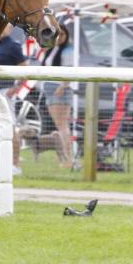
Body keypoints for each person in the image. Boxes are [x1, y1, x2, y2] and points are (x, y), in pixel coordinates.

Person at [0, 23, 27, 175]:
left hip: (5, 91)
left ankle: (15, 164)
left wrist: (16, 88)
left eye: (4, 26)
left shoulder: (13, 46)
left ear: (10, 29)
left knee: (10, 127)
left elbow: (24, 69)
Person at [41, 22, 73, 168]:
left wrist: (62, 86)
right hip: (49, 87)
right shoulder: (52, 48)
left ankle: (67, 157)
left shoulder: (67, 51)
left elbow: (70, 70)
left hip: (59, 89)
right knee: (60, 125)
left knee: (62, 125)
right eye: (58, 34)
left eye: (63, 34)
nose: (60, 37)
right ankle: (64, 157)